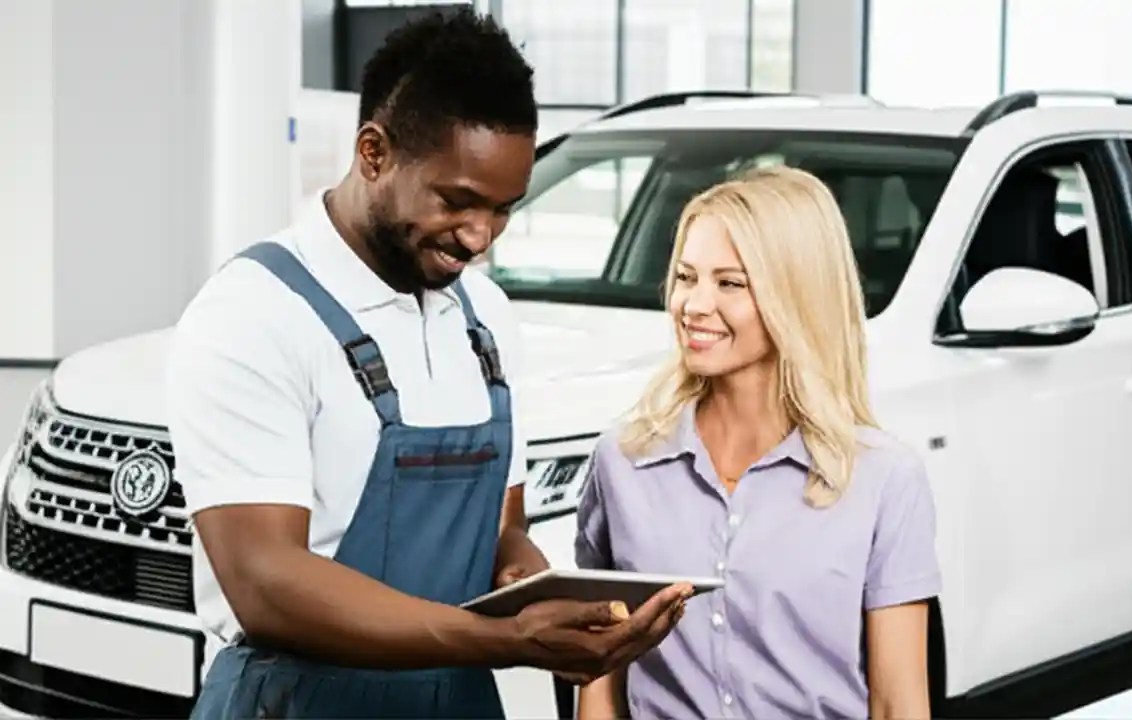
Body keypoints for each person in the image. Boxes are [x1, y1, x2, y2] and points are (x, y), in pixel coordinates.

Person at [166, 9, 690, 719]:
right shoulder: (253, 313)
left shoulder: (483, 317)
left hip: (457, 697)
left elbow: (503, 528)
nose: (480, 237)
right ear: (374, 153)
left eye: (504, 210)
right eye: (458, 201)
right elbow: (265, 584)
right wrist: (498, 639)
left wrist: (540, 589)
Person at [574, 165, 942, 719]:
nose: (694, 305)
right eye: (685, 276)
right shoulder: (623, 459)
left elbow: (898, 704)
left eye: (730, 283)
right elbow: (601, 673)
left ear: (797, 295)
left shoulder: (883, 478)